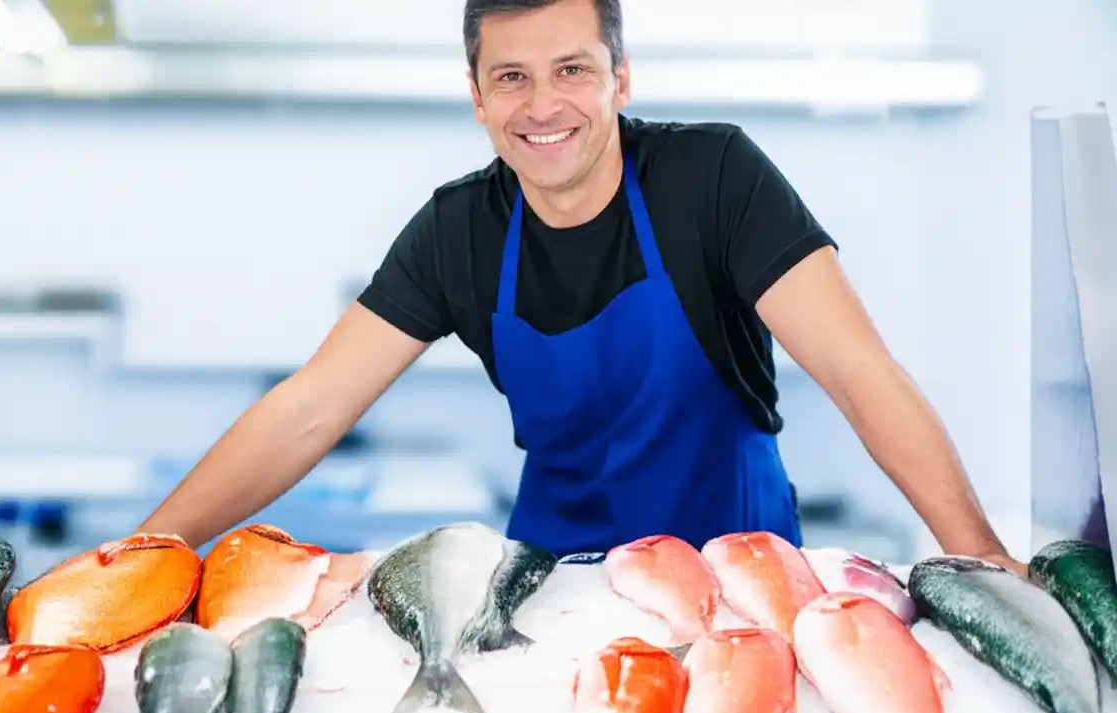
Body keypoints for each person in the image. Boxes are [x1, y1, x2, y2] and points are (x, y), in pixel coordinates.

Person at [137, 0, 1026, 574]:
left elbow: (857, 371)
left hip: (738, 572)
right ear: (478, 97)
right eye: (511, 77)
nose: (542, 105)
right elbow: (309, 408)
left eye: (571, 70)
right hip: (555, 586)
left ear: (619, 78)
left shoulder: (714, 177)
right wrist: (146, 550)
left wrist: (980, 555)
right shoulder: (459, 230)